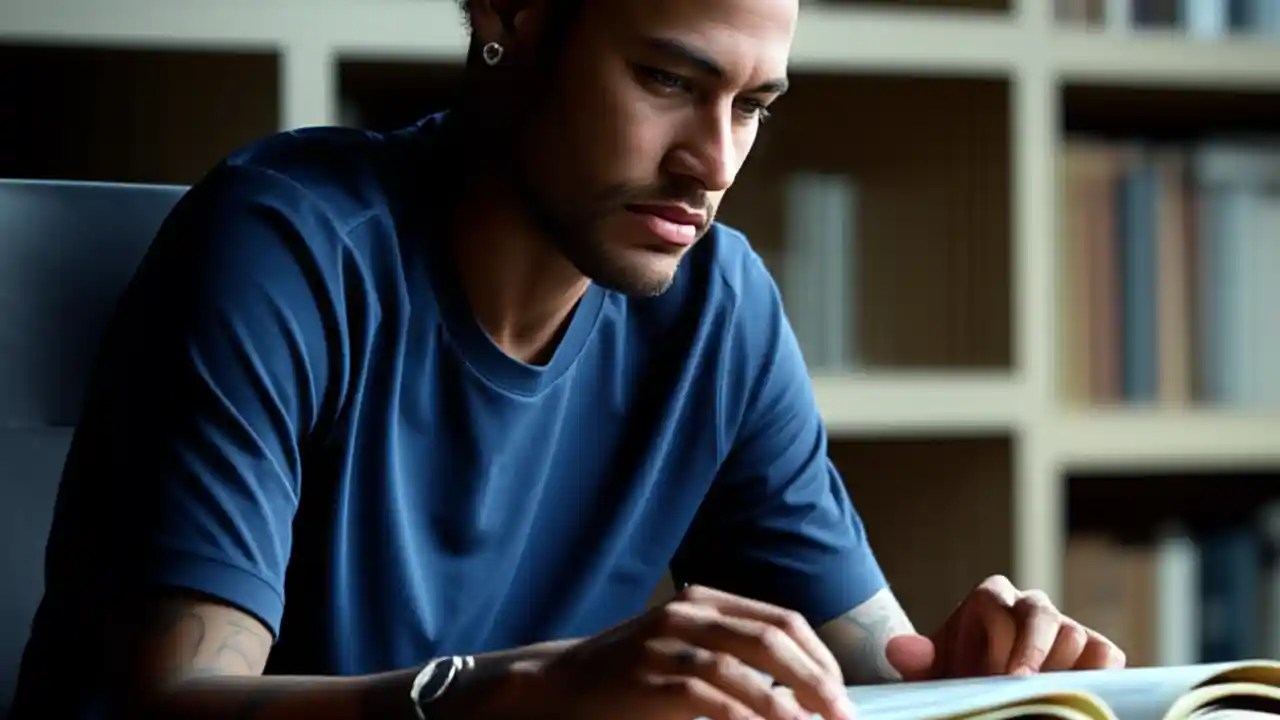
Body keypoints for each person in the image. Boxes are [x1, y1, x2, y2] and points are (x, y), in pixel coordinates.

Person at [11, 0, 1126, 718]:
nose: (713, 160)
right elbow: (172, 704)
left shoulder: (717, 306)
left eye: (753, 106)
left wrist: (980, 687)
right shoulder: (282, 245)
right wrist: (538, 689)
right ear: (510, 14)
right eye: (667, 82)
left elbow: (874, 677)